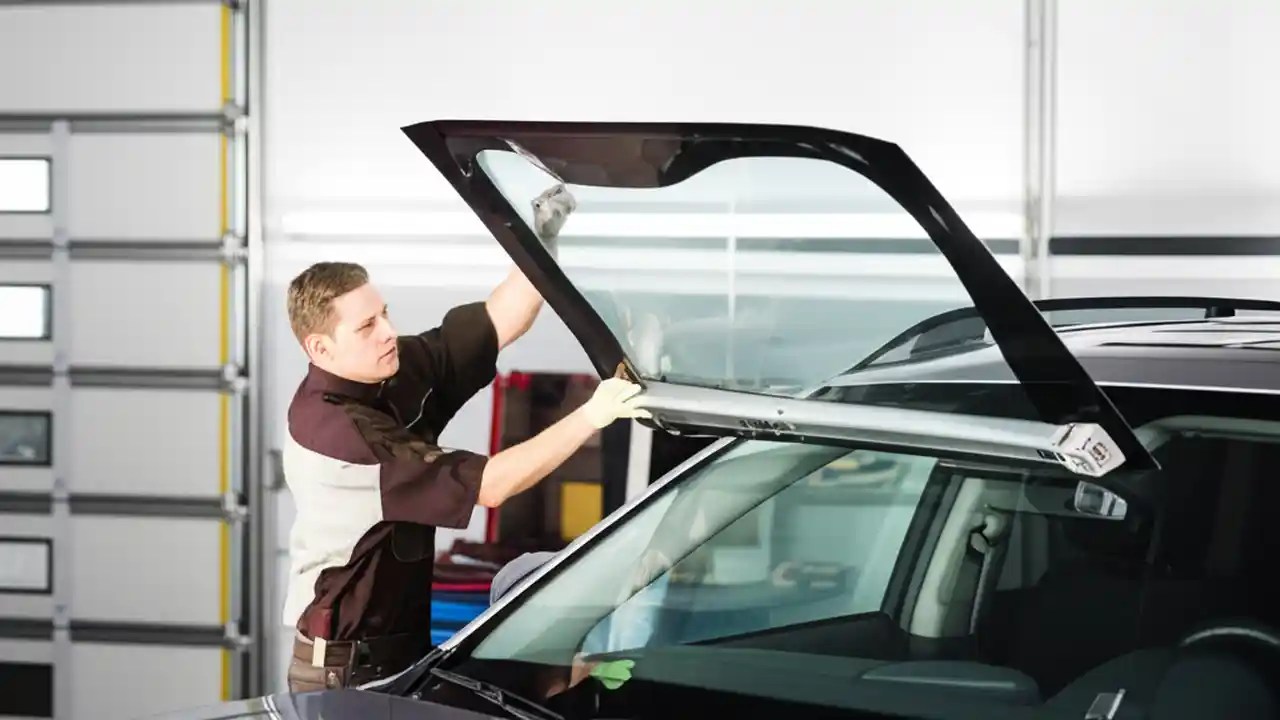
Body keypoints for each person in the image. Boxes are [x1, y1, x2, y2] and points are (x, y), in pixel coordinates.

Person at [279, 259, 649, 693]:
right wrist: (592, 415)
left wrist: (540, 250)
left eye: (385, 314)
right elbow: (491, 485)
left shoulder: (384, 372)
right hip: (345, 676)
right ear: (320, 349)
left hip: (395, 652)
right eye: (366, 326)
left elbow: (495, 324)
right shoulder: (342, 439)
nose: (388, 331)